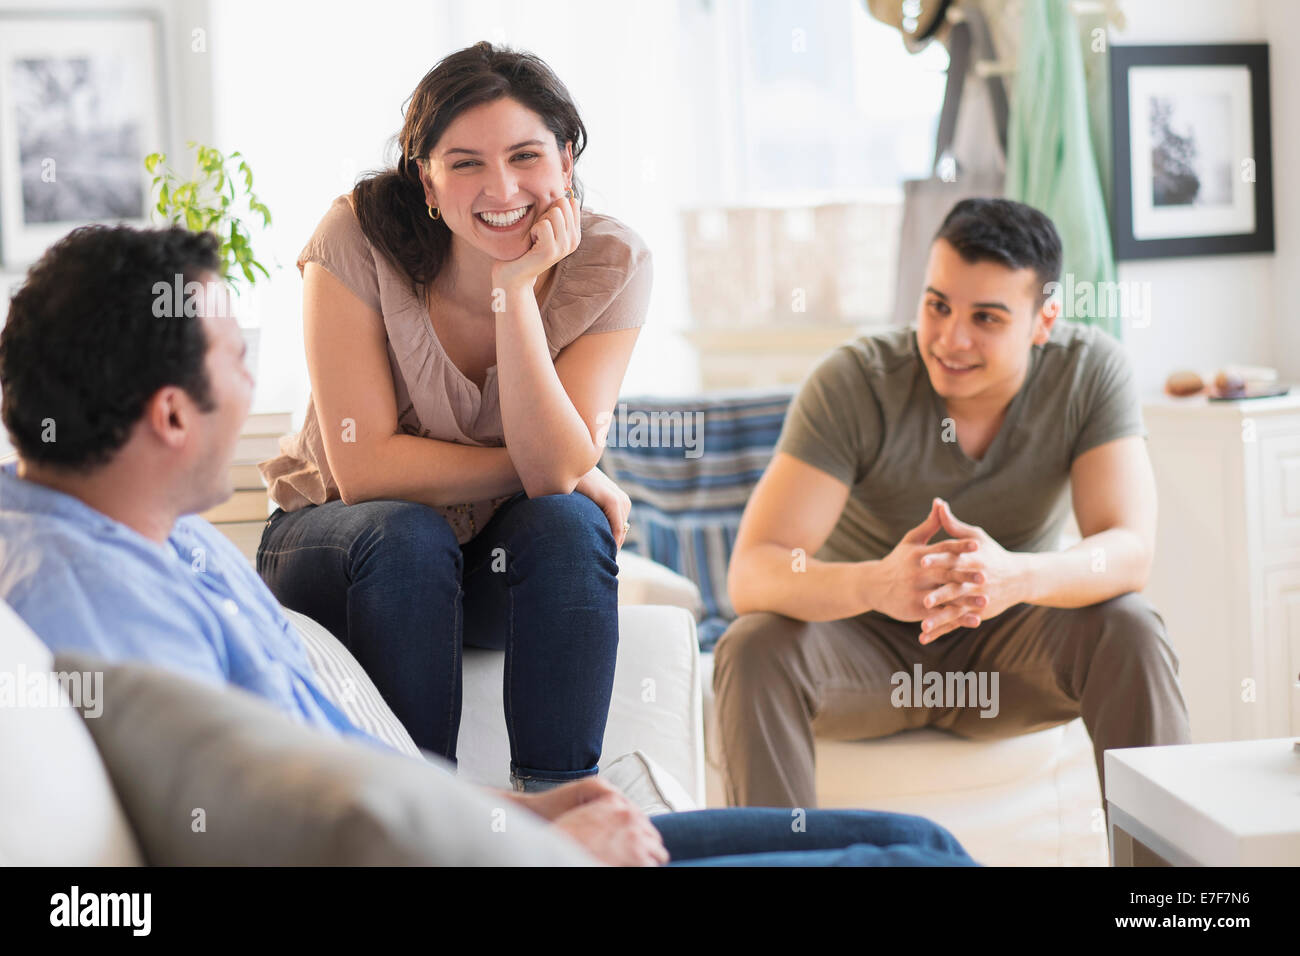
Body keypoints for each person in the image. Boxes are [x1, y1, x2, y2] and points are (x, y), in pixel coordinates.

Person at [0, 223, 976, 866]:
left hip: (484, 837)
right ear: (172, 413)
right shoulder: (86, 603)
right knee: (910, 863)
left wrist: (517, 810)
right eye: (240, 359)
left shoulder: (171, 542)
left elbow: (336, 775)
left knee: (919, 836)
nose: (258, 386)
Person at [715, 198, 1192, 808]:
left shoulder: (1090, 372)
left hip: (1010, 646)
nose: (950, 339)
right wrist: (877, 585)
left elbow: (1128, 551)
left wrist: (1016, 576)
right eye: (937, 305)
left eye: (987, 318)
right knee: (752, 646)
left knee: (1132, 629)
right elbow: (753, 570)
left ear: (1042, 322)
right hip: (864, 651)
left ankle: (1170, 900)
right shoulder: (855, 381)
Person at [256, 42, 644, 790]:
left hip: (484, 564)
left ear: (567, 162)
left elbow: (555, 480)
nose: (501, 187)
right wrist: (562, 467)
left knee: (570, 523)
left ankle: (563, 807)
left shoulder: (612, 262)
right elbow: (367, 469)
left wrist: (517, 289)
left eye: (526, 155)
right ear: (427, 182)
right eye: (464, 162)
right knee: (408, 530)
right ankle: (424, 815)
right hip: (342, 542)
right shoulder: (355, 237)